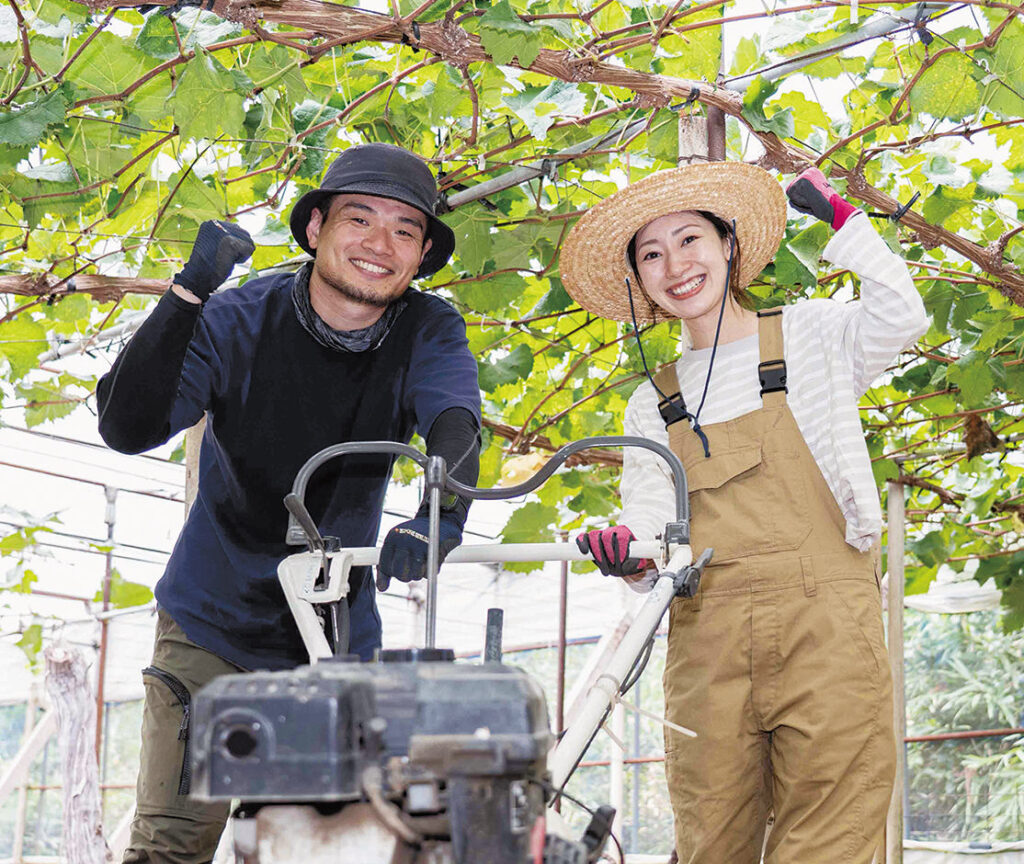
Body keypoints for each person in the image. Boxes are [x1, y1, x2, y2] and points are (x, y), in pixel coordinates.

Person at [97, 143, 481, 863]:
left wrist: (442, 515)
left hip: (334, 633)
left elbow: (454, 420)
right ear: (315, 228)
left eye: (404, 230)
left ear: (423, 253)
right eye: (359, 219)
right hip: (214, 620)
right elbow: (127, 427)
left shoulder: (427, 328)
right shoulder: (237, 317)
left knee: (321, 847)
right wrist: (187, 295)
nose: (380, 244)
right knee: (173, 845)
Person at [560, 161, 928, 863]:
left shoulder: (812, 335)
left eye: (689, 240)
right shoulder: (652, 401)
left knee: (833, 834)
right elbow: (652, 530)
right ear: (638, 280)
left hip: (826, 626)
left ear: (729, 244)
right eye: (651, 254)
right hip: (708, 639)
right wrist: (628, 554)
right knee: (710, 840)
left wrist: (842, 218)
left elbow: (901, 315)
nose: (675, 266)